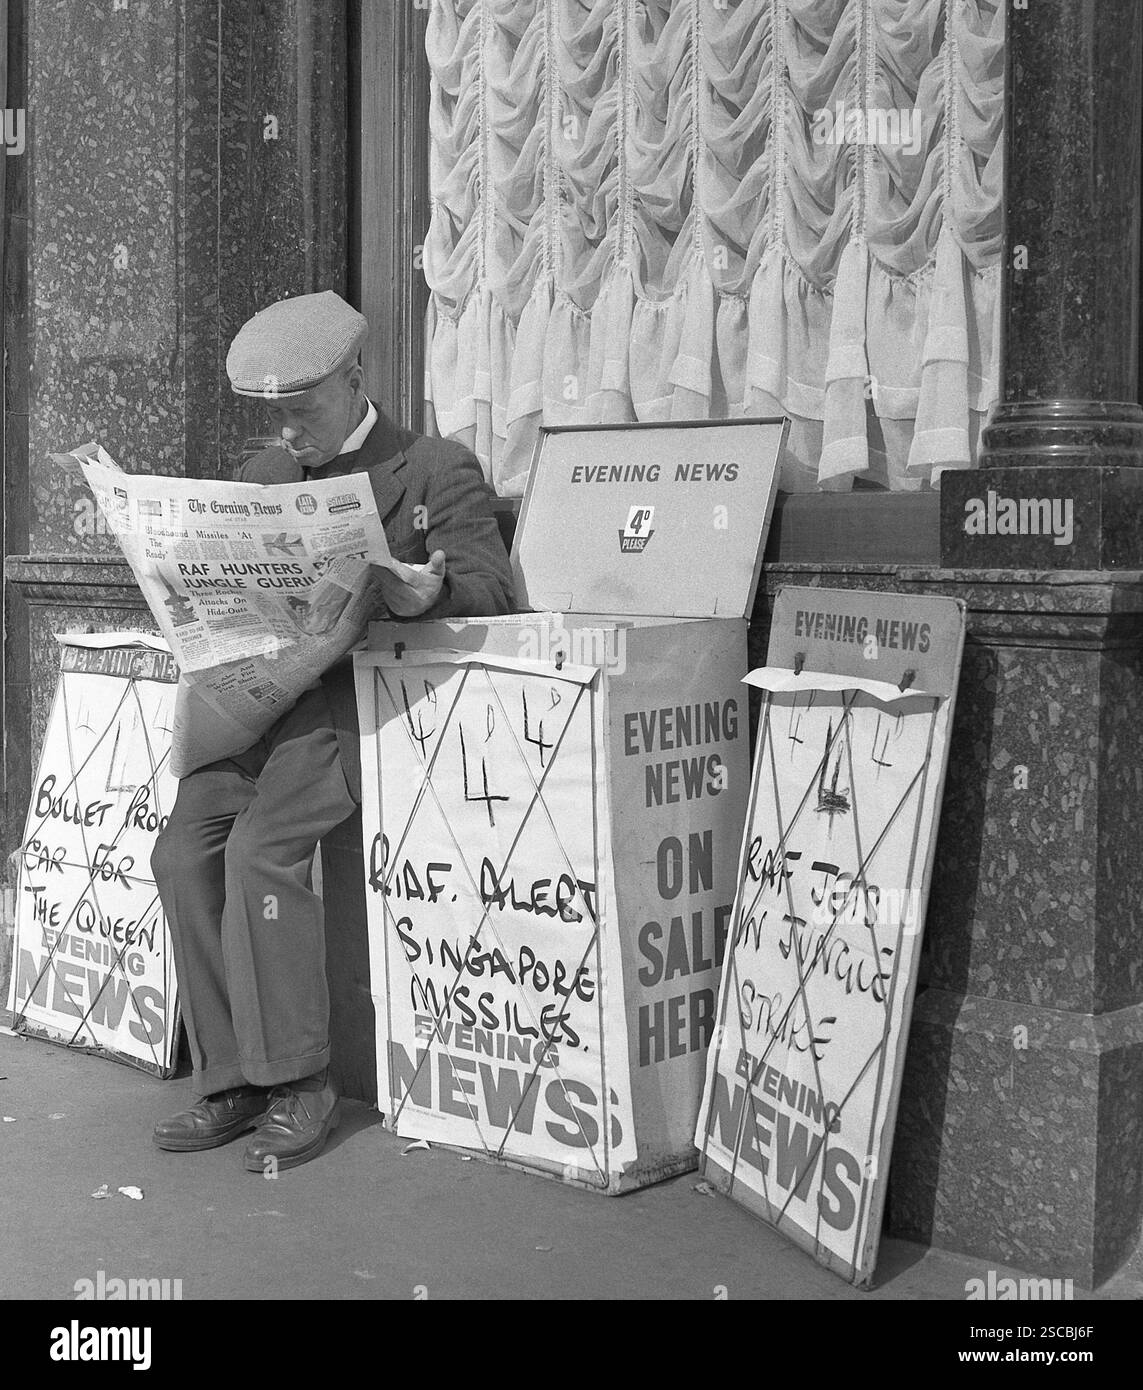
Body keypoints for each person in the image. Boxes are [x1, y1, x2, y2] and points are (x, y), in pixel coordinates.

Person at [150, 290, 516, 1171]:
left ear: (357, 377)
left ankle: (301, 1080)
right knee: (180, 850)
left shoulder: (432, 468)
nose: (285, 438)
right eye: (269, 419)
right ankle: (233, 1074)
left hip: (356, 713)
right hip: (260, 709)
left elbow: (492, 589)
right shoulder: (259, 477)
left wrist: (433, 595)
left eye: (300, 413)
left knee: (259, 854)